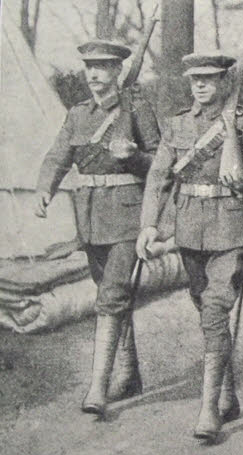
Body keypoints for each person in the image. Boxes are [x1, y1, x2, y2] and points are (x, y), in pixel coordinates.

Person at [136, 52, 243, 442]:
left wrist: (240, 176)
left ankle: (209, 410)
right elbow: (159, 176)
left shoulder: (242, 122)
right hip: (189, 229)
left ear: (224, 81)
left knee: (214, 309)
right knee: (205, 309)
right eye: (195, 80)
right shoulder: (177, 124)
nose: (201, 86)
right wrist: (149, 225)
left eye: (209, 78)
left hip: (229, 227)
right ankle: (225, 390)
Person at [34, 40, 160, 418]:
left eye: (103, 67)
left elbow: (160, 165)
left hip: (126, 219)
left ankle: (97, 389)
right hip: (89, 220)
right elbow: (59, 154)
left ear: (118, 72)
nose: (94, 74)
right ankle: (128, 373)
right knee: (112, 294)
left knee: (111, 297)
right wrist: (45, 188)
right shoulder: (77, 114)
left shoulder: (137, 109)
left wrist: (133, 157)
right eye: (89, 67)